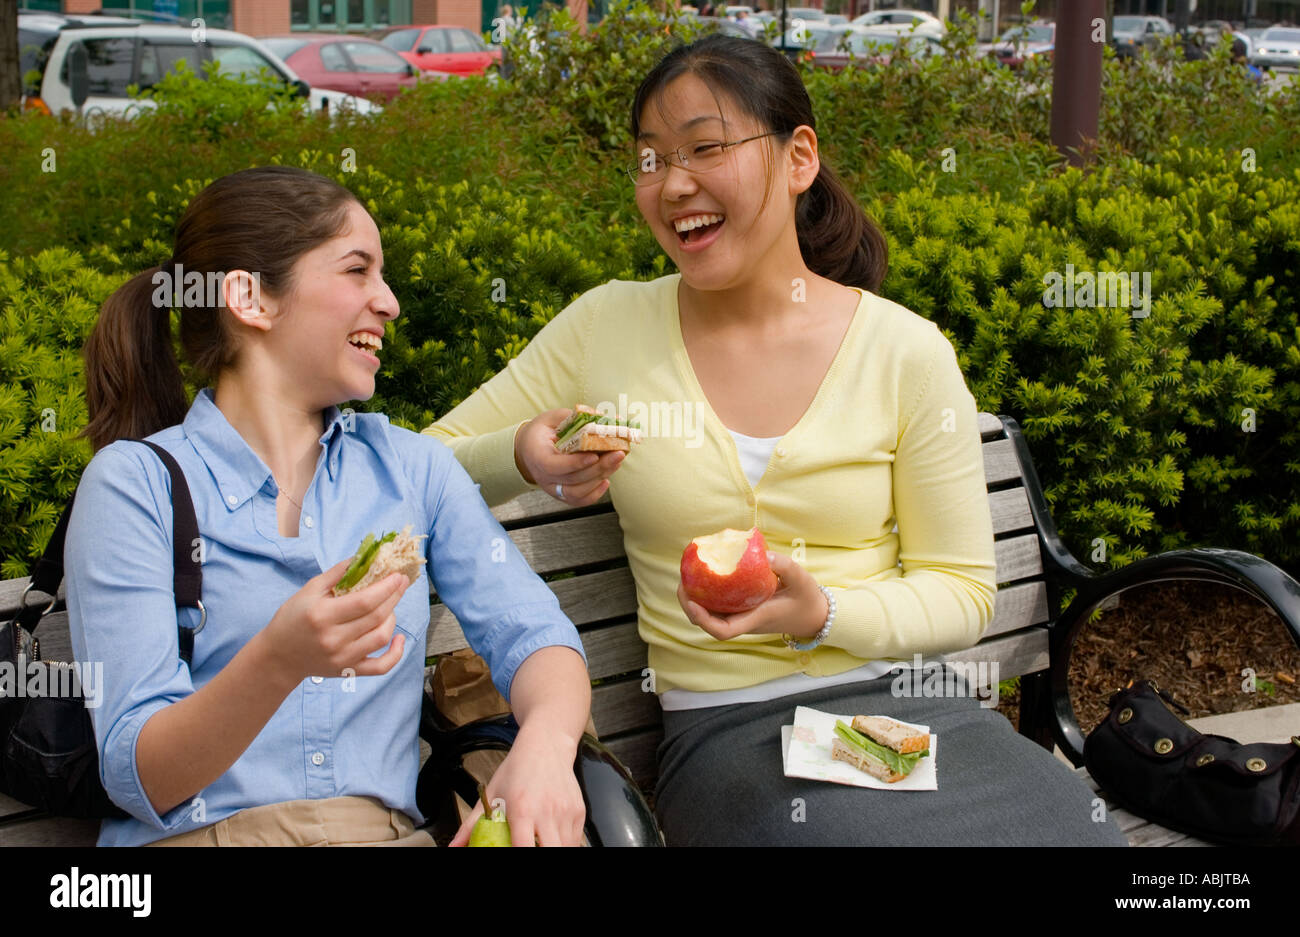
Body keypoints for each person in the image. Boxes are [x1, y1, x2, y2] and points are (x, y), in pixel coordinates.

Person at [423, 35, 1128, 846]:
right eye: (650, 158)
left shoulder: (904, 351)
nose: (672, 182)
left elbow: (963, 589)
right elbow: (417, 469)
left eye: (705, 146)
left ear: (799, 159)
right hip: (728, 734)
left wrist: (823, 613)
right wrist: (519, 454)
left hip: (909, 718)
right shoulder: (607, 327)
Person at [67, 166, 592, 847]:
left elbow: (535, 637)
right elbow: (142, 775)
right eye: (357, 271)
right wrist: (280, 659)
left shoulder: (411, 470)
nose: (390, 302)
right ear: (251, 300)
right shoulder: (133, 487)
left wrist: (547, 747)